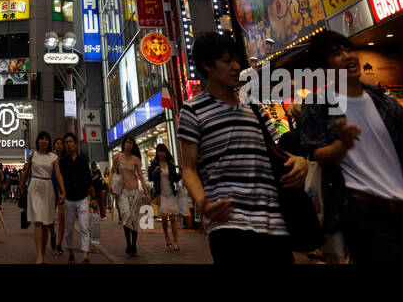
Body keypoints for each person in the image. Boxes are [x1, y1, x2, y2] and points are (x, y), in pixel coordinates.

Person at [298, 31, 403, 264]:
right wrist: (343, 144)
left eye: (349, 50)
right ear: (325, 68)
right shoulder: (318, 104)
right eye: (337, 54)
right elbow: (320, 155)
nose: (347, 56)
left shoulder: (384, 101)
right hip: (362, 211)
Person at [177, 32, 309, 265]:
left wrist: (298, 160)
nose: (236, 67)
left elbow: (273, 150)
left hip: (272, 221)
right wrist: (203, 203)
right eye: (227, 61)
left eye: (237, 60)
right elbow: (188, 167)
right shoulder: (192, 110)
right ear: (207, 65)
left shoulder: (253, 108)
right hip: (228, 221)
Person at [21, 131, 61, 263]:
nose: (44, 141)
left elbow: (58, 175)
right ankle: (39, 256)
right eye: (41, 139)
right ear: (37, 141)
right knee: (38, 222)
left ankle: (42, 254)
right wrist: (22, 185)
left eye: (46, 139)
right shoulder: (32, 155)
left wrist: (63, 191)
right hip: (34, 187)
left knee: (45, 224)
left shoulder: (53, 157)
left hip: (48, 188)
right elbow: (27, 171)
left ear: (49, 142)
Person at [57, 132, 95, 263]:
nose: (68, 144)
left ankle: (85, 256)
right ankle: (71, 253)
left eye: (70, 142)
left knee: (84, 227)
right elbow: (59, 180)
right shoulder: (62, 162)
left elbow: (89, 180)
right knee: (69, 229)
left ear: (76, 144)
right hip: (68, 199)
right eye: (66, 142)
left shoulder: (83, 161)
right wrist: (60, 194)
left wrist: (93, 197)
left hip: (82, 198)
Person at [112, 136, 146, 257]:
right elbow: (112, 171)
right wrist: (110, 184)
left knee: (134, 219)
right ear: (123, 144)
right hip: (122, 191)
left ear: (133, 145)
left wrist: (146, 190)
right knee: (126, 215)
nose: (129, 145)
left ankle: (134, 245)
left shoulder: (136, 159)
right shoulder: (117, 157)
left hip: (135, 191)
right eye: (127, 142)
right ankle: (128, 243)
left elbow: (140, 176)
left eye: (131, 143)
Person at [149, 143, 182, 252]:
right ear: (157, 153)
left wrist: (181, 172)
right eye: (159, 151)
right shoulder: (154, 163)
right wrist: (155, 172)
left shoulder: (170, 164)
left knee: (172, 218)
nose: (161, 153)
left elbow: (175, 179)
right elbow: (150, 177)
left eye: (162, 151)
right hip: (161, 194)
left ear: (165, 152)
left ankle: (176, 242)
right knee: (163, 217)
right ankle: (166, 236)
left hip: (171, 193)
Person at [51, 136, 66, 254]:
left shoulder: (66, 159)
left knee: (62, 219)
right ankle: (52, 233)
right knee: (49, 219)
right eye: (57, 143)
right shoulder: (50, 158)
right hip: (50, 189)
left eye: (61, 143)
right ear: (54, 145)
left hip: (62, 191)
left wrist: (63, 191)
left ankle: (59, 244)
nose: (59, 145)